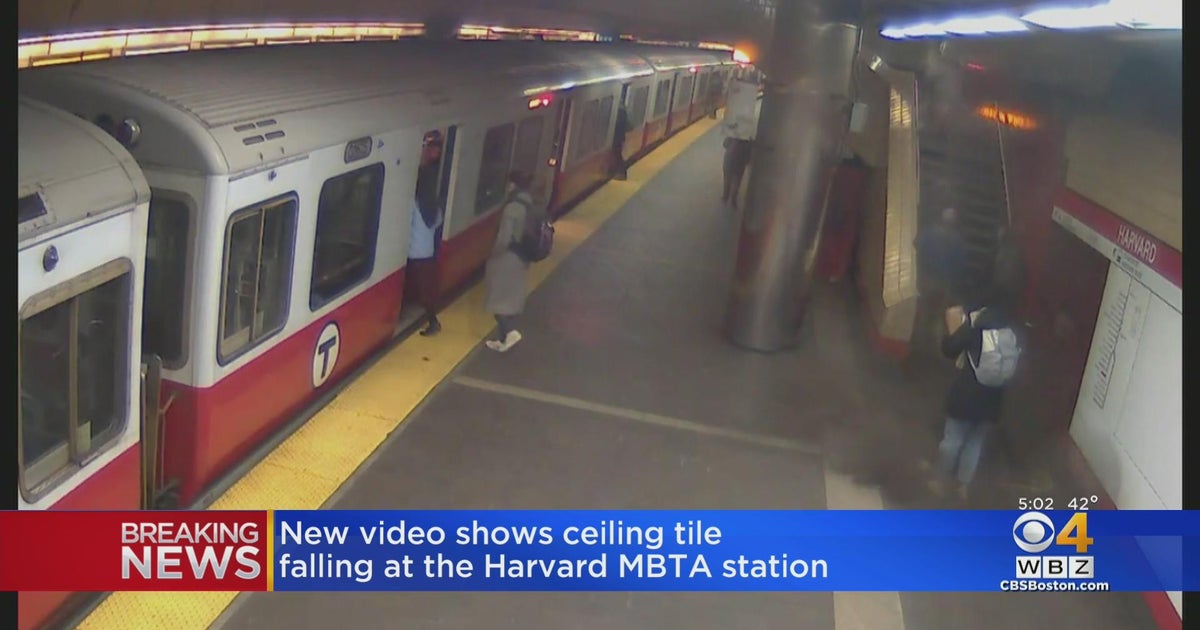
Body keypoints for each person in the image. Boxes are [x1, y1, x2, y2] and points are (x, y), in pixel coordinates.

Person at [932, 286, 1022, 500]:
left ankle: (940, 480)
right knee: (975, 442)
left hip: (966, 397)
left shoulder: (976, 329)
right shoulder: (1009, 332)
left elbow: (949, 349)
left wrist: (954, 331)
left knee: (952, 440)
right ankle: (963, 486)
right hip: (992, 402)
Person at [484, 170, 536, 352]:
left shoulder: (512, 207)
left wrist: (491, 255)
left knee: (497, 300)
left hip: (507, 259)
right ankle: (503, 339)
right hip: (521, 257)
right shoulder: (529, 203)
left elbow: (504, 238)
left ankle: (510, 332)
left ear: (513, 185)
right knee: (508, 300)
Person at [408, 131, 444, 336]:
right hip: (427, 251)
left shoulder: (414, 204)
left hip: (415, 251)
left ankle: (433, 322)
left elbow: (408, 225)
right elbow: (437, 220)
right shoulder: (431, 206)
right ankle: (432, 320)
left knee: (422, 290)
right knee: (425, 288)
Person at [721, 136, 753, 207]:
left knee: (727, 179)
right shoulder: (748, 142)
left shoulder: (733, 135)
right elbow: (748, 158)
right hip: (740, 163)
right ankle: (733, 200)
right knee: (737, 181)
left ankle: (725, 196)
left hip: (729, 160)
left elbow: (725, 144)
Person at [610, 105, 630, 180]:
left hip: (617, 138)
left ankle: (621, 174)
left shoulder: (619, 113)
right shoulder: (622, 112)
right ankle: (620, 173)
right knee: (618, 155)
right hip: (620, 138)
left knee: (618, 155)